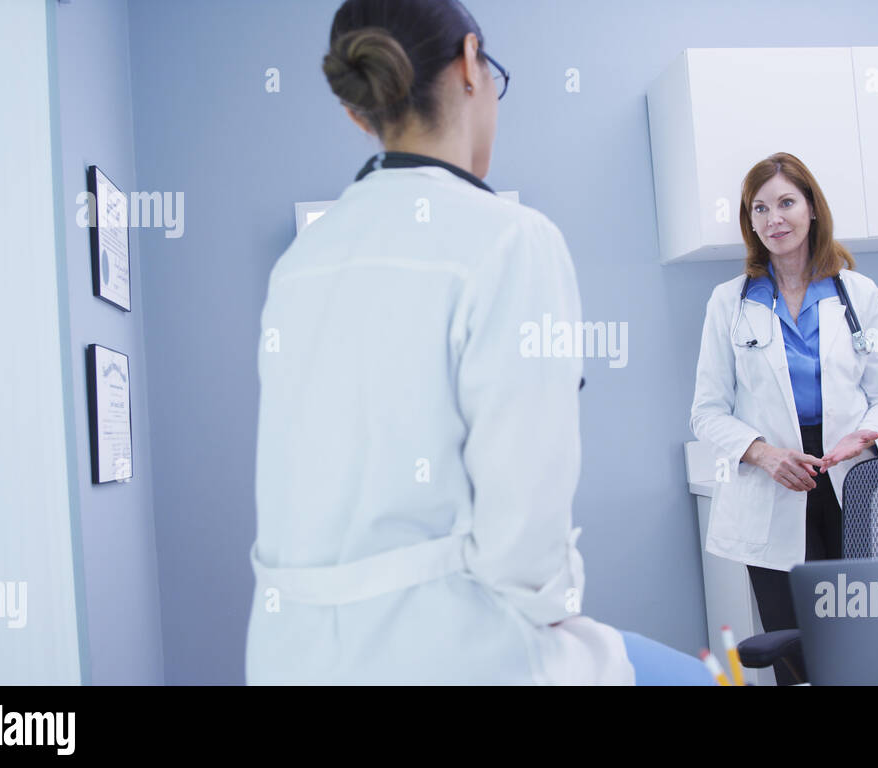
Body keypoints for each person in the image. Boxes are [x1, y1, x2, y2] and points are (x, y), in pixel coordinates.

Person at [245, 0, 711, 685]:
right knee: (705, 677)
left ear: (357, 113)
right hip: (451, 651)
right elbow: (526, 556)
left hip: (290, 657)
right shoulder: (511, 239)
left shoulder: (301, 264)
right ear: (471, 65)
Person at [690, 152, 878, 685]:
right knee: (796, 653)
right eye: (759, 208)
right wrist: (762, 453)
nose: (774, 219)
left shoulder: (858, 294)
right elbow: (706, 413)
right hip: (774, 485)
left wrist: (865, 436)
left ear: (812, 208)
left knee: (867, 641)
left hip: (851, 479)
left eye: (786, 202)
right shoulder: (729, 303)